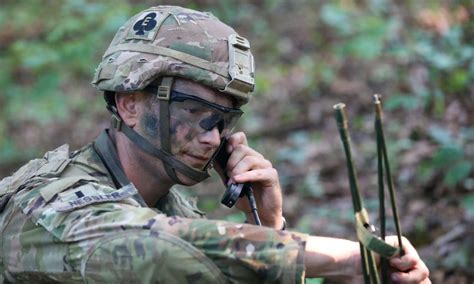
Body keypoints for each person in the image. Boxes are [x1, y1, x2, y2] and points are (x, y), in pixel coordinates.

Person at [0, 5, 430, 283]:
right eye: (193, 110)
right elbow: (157, 252)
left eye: (223, 120)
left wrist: (268, 223)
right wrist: (347, 258)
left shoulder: (173, 208)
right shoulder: (49, 207)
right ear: (129, 103)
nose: (212, 136)